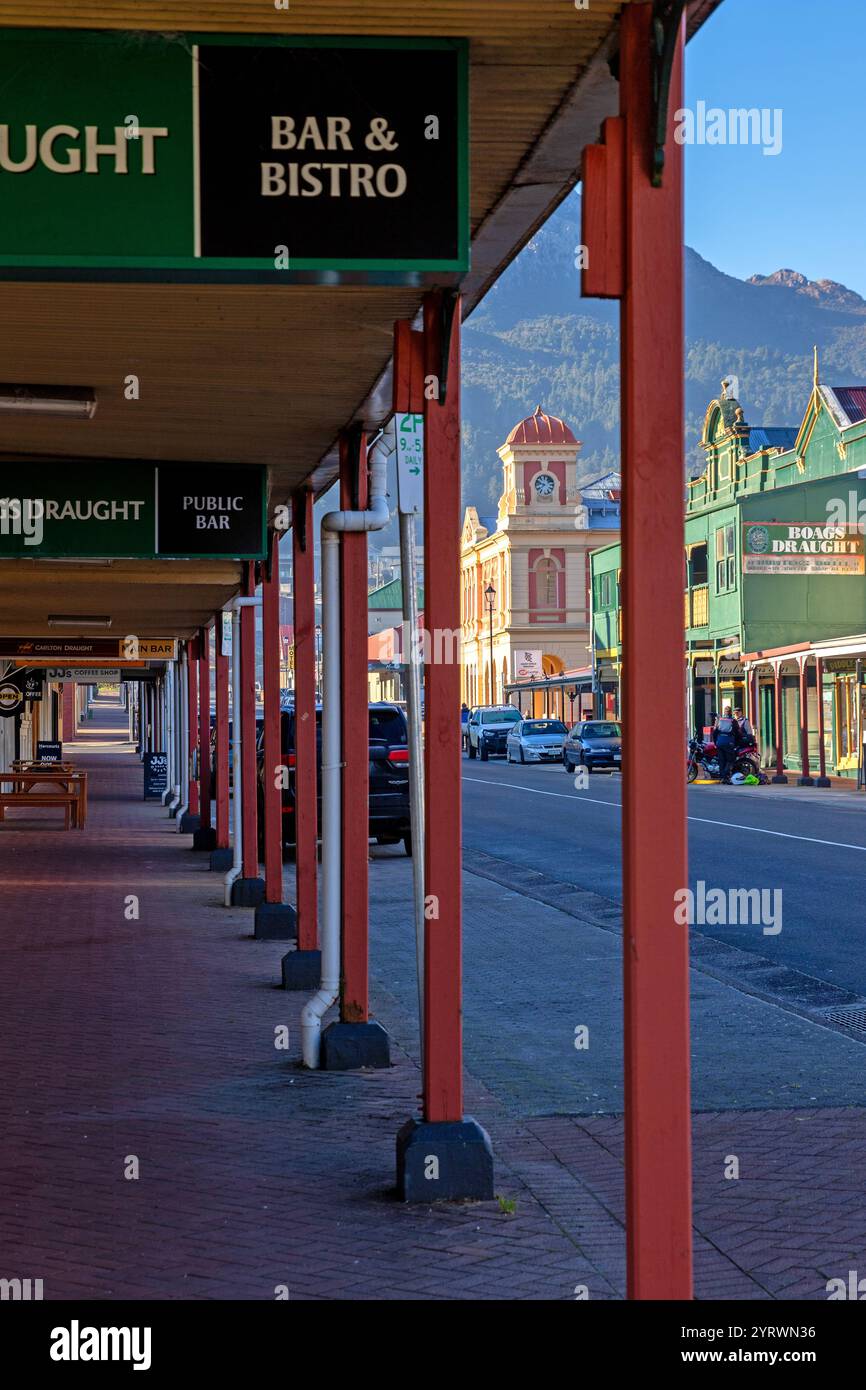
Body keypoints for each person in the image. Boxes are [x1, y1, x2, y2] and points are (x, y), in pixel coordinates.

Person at [713, 706, 740, 783]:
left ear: (724, 712)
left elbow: (715, 732)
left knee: (721, 761)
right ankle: (725, 775)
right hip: (728, 742)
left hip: (719, 742)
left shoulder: (720, 720)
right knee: (730, 760)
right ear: (731, 712)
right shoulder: (733, 721)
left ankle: (722, 778)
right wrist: (736, 743)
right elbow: (738, 733)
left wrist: (716, 743)